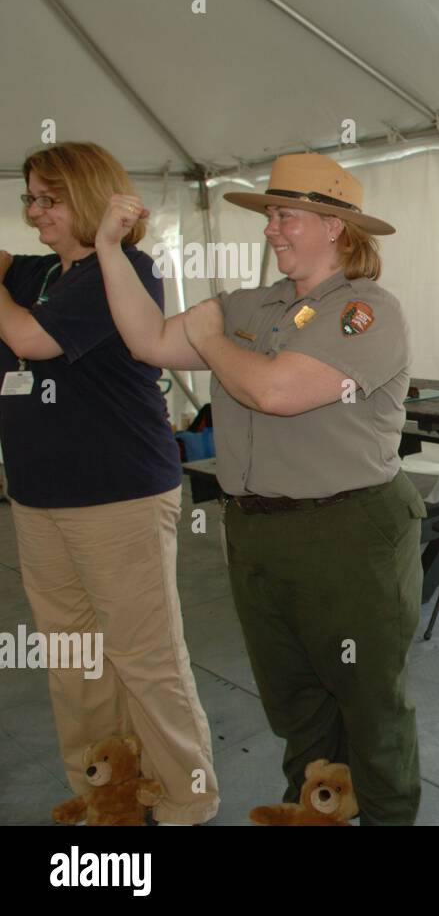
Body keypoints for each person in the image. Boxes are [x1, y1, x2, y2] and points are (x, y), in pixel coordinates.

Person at [98, 153, 425, 825]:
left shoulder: (368, 310)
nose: (271, 228)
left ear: (334, 226)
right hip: (258, 530)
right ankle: (317, 812)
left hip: (349, 532)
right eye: (269, 214)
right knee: (296, 706)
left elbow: (274, 391)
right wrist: (108, 247)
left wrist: (214, 340)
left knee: (370, 708)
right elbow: (149, 340)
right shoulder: (254, 305)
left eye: (286, 215)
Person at [0, 143, 218, 823]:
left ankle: (185, 797)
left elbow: (32, 340)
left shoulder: (119, 271)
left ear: (88, 200)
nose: (34, 211)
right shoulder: (41, 273)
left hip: (117, 495)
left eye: (49, 199)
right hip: (40, 498)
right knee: (74, 656)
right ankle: (107, 787)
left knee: (143, 654)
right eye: (29, 197)